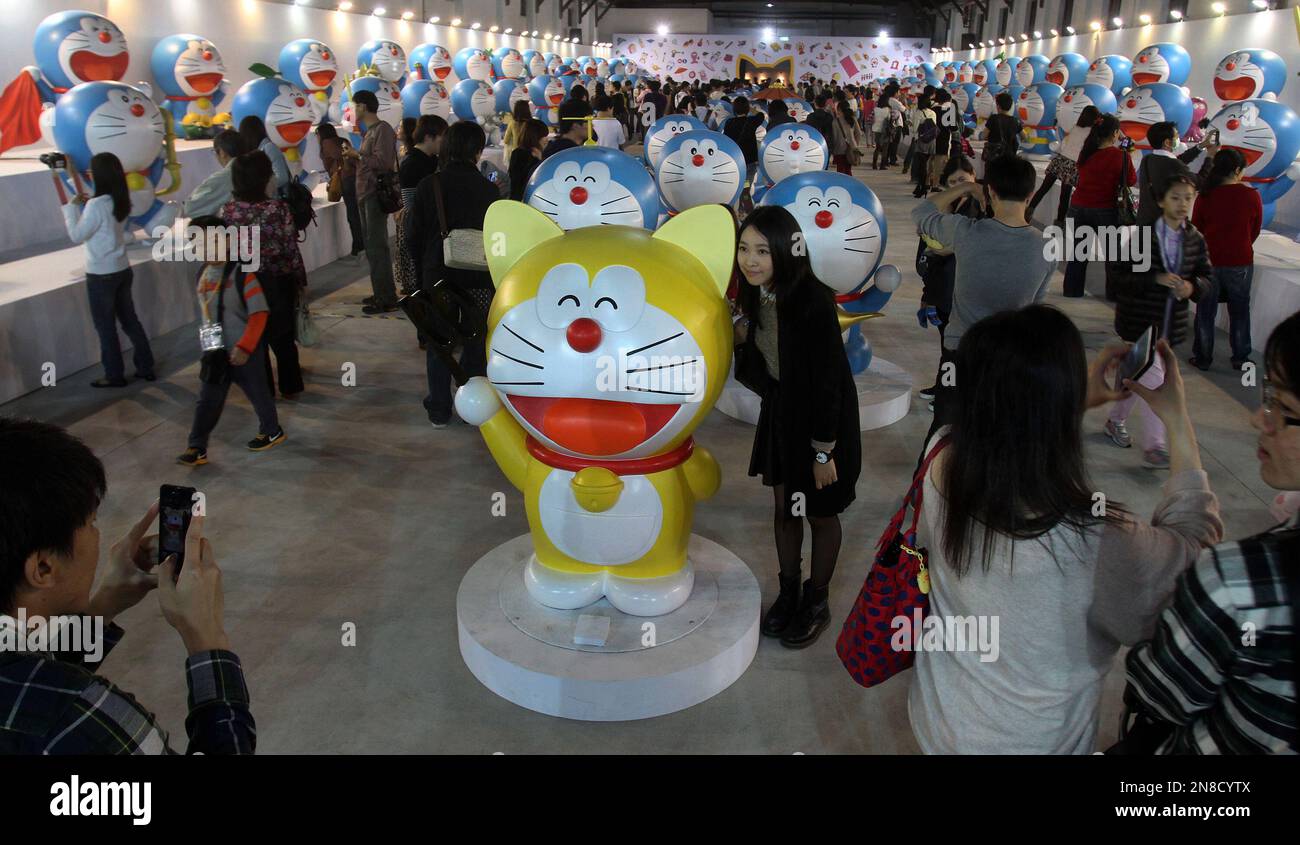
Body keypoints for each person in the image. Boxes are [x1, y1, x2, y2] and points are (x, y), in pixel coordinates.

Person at [907, 305, 1223, 754]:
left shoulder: (941, 456)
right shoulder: (1097, 539)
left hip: (940, 716)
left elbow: (1008, 430)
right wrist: (1176, 418)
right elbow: (1195, 565)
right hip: (1034, 742)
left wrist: (1072, 396)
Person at [0, 417, 255, 754]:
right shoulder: (78, 716)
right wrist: (207, 641)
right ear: (44, 567)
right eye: (91, 524)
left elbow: (27, 679)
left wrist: (105, 604)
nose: (98, 536)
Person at [1125, 313, 1300, 754]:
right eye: (1270, 394)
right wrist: (1176, 420)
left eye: (1288, 410)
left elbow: (1159, 694)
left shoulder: (1243, 584)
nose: (1261, 418)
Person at [733, 206, 861, 649]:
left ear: (787, 251)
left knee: (821, 514)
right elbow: (759, 371)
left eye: (763, 251)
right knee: (786, 508)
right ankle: (789, 594)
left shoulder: (811, 299)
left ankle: (817, 602)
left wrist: (824, 451)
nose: (750, 260)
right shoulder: (756, 294)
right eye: (744, 249)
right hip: (783, 414)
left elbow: (829, 382)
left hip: (823, 422)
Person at [911, 154, 1054, 436]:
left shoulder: (966, 232)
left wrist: (965, 188)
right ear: (1032, 194)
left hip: (960, 354)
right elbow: (1036, 308)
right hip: (1009, 359)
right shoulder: (1048, 247)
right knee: (995, 434)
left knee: (945, 431)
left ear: (990, 191)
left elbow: (921, 214)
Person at [1104, 172, 1211, 470]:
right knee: (1156, 379)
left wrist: (1192, 288)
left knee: (1134, 376)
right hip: (1138, 324)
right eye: (1175, 197)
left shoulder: (1195, 239)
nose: (1182, 204)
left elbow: (1206, 277)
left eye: (1188, 198)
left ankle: (1115, 421)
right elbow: (1119, 279)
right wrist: (1155, 279)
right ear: (1162, 201)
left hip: (1169, 328)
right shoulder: (1143, 237)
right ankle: (1156, 445)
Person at [405, 121, 497, 428]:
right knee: (475, 342)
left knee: (439, 344)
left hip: (438, 278)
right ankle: (473, 406)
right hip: (479, 280)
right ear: (477, 150)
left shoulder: (428, 186)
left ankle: (439, 409)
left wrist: (422, 273)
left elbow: (413, 238)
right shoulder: (489, 189)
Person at [177, 214, 285, 466]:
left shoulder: (243, 274)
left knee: (258, 394)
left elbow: (259, 313)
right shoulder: (202, 275)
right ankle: (196, 446)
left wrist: (246, 346)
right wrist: (208, 348)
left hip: (244, 351)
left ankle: (272, 430)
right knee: (207, 400)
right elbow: (206, 314)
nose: (201, 249)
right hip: (216, 353)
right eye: (196, 243)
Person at [58, 152, 155, 388]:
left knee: (106, 327)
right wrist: (72, 177)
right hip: (122, 269)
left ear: (97, 175)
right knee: (130, 321)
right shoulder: (120, 199)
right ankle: (146, 367)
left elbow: (76, 235)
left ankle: (114, 375)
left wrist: (69, 210)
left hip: (101, 274)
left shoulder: (96, 204)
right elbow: (96, 203)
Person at [221, 151, 306, 399]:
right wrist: (300, 280)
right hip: (278, 281)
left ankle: (264, 389)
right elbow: (291, 248)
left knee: (256, 339)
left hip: (246, 285)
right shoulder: (278, 209)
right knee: (284, 338)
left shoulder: (229, 212)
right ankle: (291, 386)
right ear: (263, 178)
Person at [915, 156, 983, 404]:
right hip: (941, 290)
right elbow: (929, 251)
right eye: (952, 182)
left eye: (963, 181)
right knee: (947, 346)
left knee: (958, 349)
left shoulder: (980, 210)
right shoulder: (946, 207)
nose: (957, 186)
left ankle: (951, 397)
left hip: (963, 292)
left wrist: (946, 247)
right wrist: (927, 297)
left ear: (974, 178)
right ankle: (944, 389)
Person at [1190, 148, 1263, 372]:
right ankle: (1241, 357)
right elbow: (1255, 229)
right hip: (1239, 260)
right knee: (1240, 310)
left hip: (1209, 261)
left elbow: (1197, 228)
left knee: (1205, 311)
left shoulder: (1205, 195)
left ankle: (1203, 357)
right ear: (1238, 170)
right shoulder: (1251, 195)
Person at [1062, 114, 1137, 299]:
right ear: (1115, 134)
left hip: (1078, 207)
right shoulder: (1121, 156)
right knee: (1112, 257)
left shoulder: (1086, 152)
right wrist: (1128, 153)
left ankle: (1072, 291)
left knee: (1078, 254)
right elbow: (1131, 180)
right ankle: (1113, 294)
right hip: (1105, 210)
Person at [344, 89, 400, 314]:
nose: (352, 111)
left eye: (354, 106)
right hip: (365, 193)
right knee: (371, 245)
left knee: (377, 245)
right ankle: (381, 291)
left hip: (375, 195)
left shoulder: (383, 130)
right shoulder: (370, 132)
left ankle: (386, 297)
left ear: (363, 107)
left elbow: (383, 162)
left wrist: (357, 156)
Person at [395, 114, 446, 300]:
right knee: (423, 282)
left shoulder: (431, 159)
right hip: (420, 231)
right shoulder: (412, 164)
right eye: (442, 136)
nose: (444, 142)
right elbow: (411, 205)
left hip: (430, 229)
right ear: (428, 137)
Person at [1025, 104, 1097, 227]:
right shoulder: (1093, 132)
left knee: (1043, 189)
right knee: (1064, 196)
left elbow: (1065, 144)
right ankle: (1058, 224)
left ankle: (1028, 211)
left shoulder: (1076, 127)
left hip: (1060, 160)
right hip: (1073, 165)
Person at [1136, 121, 1214, 225]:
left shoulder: (1148, 159)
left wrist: (1201, 146)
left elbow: (1178, 161)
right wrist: (1210, 157)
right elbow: (1200, 182)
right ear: (1167, 142)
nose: (1179, 139)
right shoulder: (1173, 164)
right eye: (1177, 136)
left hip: (1144, 222)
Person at [317, 121, 364, 255]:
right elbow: (351, 157)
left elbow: (330, 163)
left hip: (345, 180)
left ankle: (358, 245)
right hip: (354, 177)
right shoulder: (342, 140)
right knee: (357, 213)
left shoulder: (326, 144)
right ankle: (360, 244)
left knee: (353, 214)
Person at [183, 130, 243, 219]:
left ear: (222, 153)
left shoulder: (222, 177)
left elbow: (191, 208)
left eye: (214, 152)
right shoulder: (259, 168)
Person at [237, 115, 290, 194]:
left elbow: (282, 177)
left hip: (278, 199)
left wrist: (260, 189)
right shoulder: (257, 150)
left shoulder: (269, 148)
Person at [722, 96, 764, 174]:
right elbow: (761, 115)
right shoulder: (751, 121)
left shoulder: (729, 122)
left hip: (736, 159)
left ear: (734, 109)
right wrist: (751, 108)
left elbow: (726, 139)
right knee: (748, 183)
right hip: (750, 160)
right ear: (747, 109)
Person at [508, 118, 547, 202]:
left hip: (520, 199)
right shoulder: (524, 154)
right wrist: (539, 161)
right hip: (527, 200)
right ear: (536, 137)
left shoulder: (517, 152)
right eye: (544, 136)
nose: (546, 139)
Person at [907, 93, 938, 197]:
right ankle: (921, 187)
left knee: (922, 166)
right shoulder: (933, 113)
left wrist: (911, 125)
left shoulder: (918, 113)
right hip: (932, 142)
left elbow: (915, 129)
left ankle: (922, 188)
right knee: (925, 165)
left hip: (922, 142)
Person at [928, 89, 958, 192]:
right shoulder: (949, 110)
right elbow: (954, 127)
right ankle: (935, 185)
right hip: (943, 139)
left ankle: (927, 182)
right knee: (938, 163)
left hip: (931, 138)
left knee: (930, 161)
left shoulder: (932, 108)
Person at [981, 91, 1022, 165]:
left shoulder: (993, 118)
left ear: (998, 106)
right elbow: (1024, 137)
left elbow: (983, 135)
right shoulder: (1016, 121)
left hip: (994, 157)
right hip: (1009, 158)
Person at [870, 85, 903, 169]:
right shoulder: (888, 109)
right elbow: (892, 118)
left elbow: (870, 119)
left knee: (877, 148)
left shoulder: (875, 109)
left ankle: (874, 164)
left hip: (876, 130)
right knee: (885, 148)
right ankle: (882, 165)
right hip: (885, 131)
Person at [829, 99, 860, 175]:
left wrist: (832, 150)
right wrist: (855, 145)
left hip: (839, 149)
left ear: (839, 110)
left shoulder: (835, 121)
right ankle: (849, 184)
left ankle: (843, 185)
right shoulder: (852, 119)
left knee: (840, 171)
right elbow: (858, 133)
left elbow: (834, 137)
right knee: (848, 169)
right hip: (852, 148)